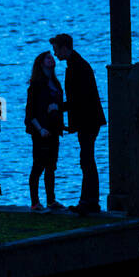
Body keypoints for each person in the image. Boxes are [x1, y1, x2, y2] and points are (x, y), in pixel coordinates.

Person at [50, 33, 106, 215]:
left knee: (87, 160)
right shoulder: (77, 64)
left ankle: (89, 201)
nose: (55, 54)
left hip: (87, 121)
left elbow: (78, 99)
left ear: (64, 48)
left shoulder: (77, 67)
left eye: (56, 49)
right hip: (89, 119)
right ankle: (90, 201)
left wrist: (58, 107)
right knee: (87, 159)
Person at [24, 52, 66, 211]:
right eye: (48, 58)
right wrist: (40, 129)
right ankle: (35, 201)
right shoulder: (36, 85)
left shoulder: (55, 82)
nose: (52, 59)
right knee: (38, 165)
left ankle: (51, 199)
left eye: (52, 57)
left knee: (51, 165)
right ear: (41, 63)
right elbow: (30, 113)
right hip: (40, 131)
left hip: (54, 130)